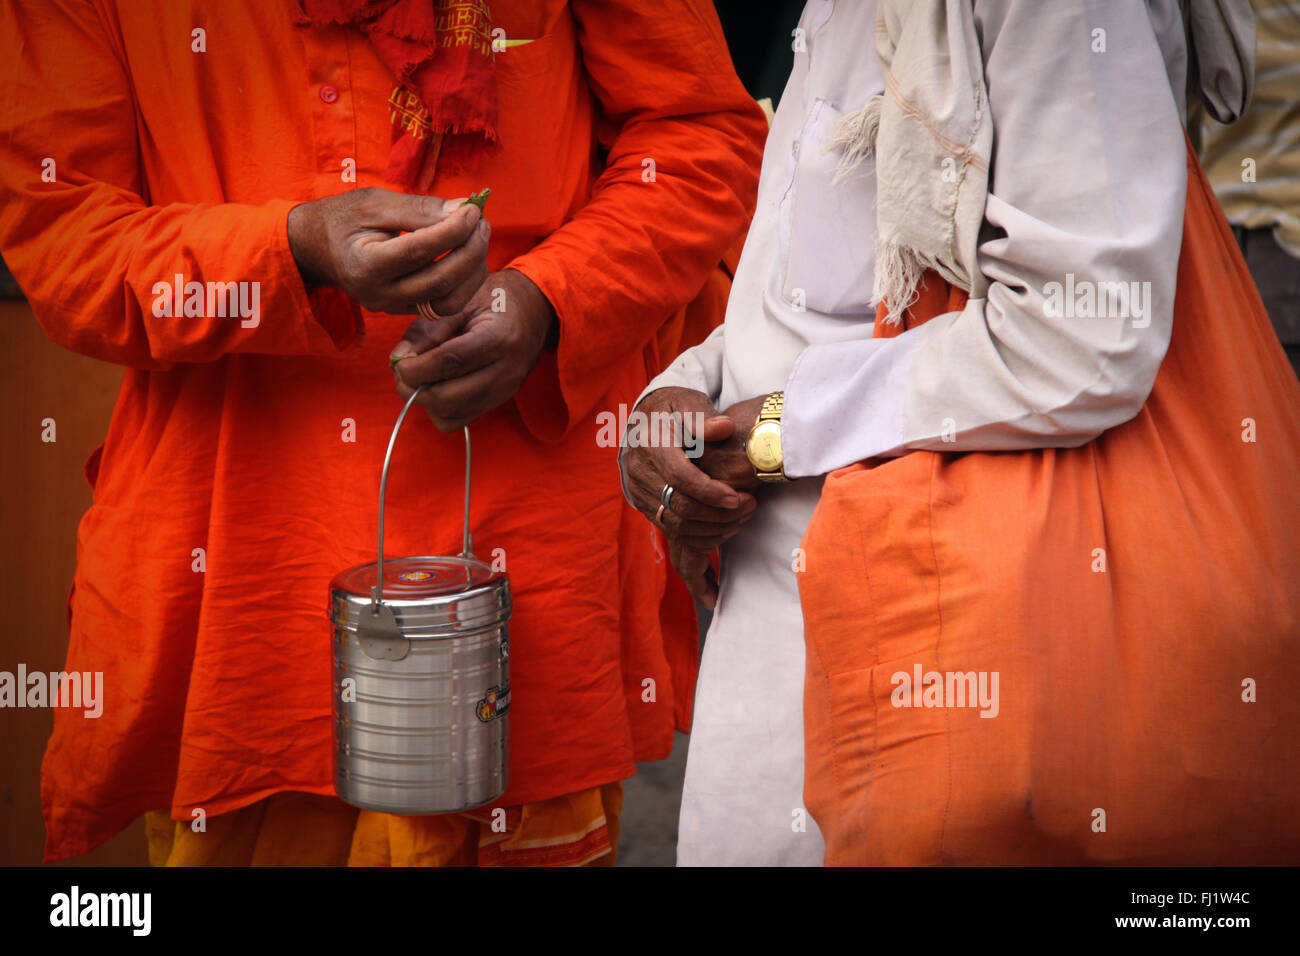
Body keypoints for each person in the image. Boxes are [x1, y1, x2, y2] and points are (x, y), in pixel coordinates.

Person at [0, 0, 765, 866]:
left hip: (529, 560)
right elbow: (59, 233)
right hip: (243, 569)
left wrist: (550, 302)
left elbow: (702, 140)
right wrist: (291, 252)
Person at [623, 0, 1300, 865]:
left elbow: (1083, 333)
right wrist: (685, 390)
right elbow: (816, 293)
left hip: (940, 623)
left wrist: (773, 431)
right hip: (799, 617)